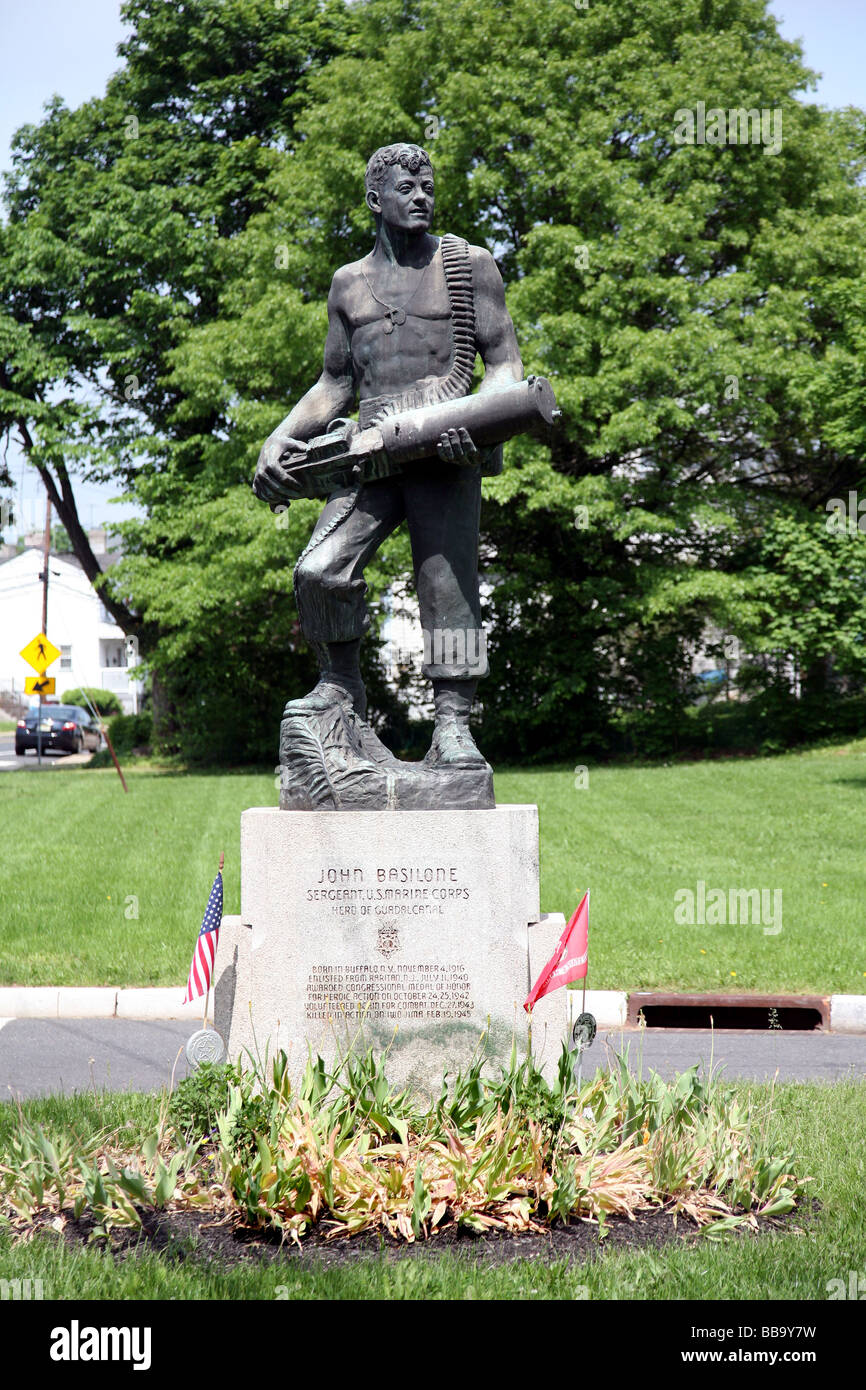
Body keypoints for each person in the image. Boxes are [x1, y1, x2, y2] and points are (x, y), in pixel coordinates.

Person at [253, 142, 523, 768]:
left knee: (447, 589)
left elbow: (504, 366)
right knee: (319, 571)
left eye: (428, 186)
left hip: (444, 451)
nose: (422, 196)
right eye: (407, 188)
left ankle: (453, 725)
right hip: (370, 454)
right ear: (376, 200)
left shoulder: (469, 264)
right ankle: (342, 692)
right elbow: (334, 383)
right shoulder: (348, 283)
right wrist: (280, 436)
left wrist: (475, 425)